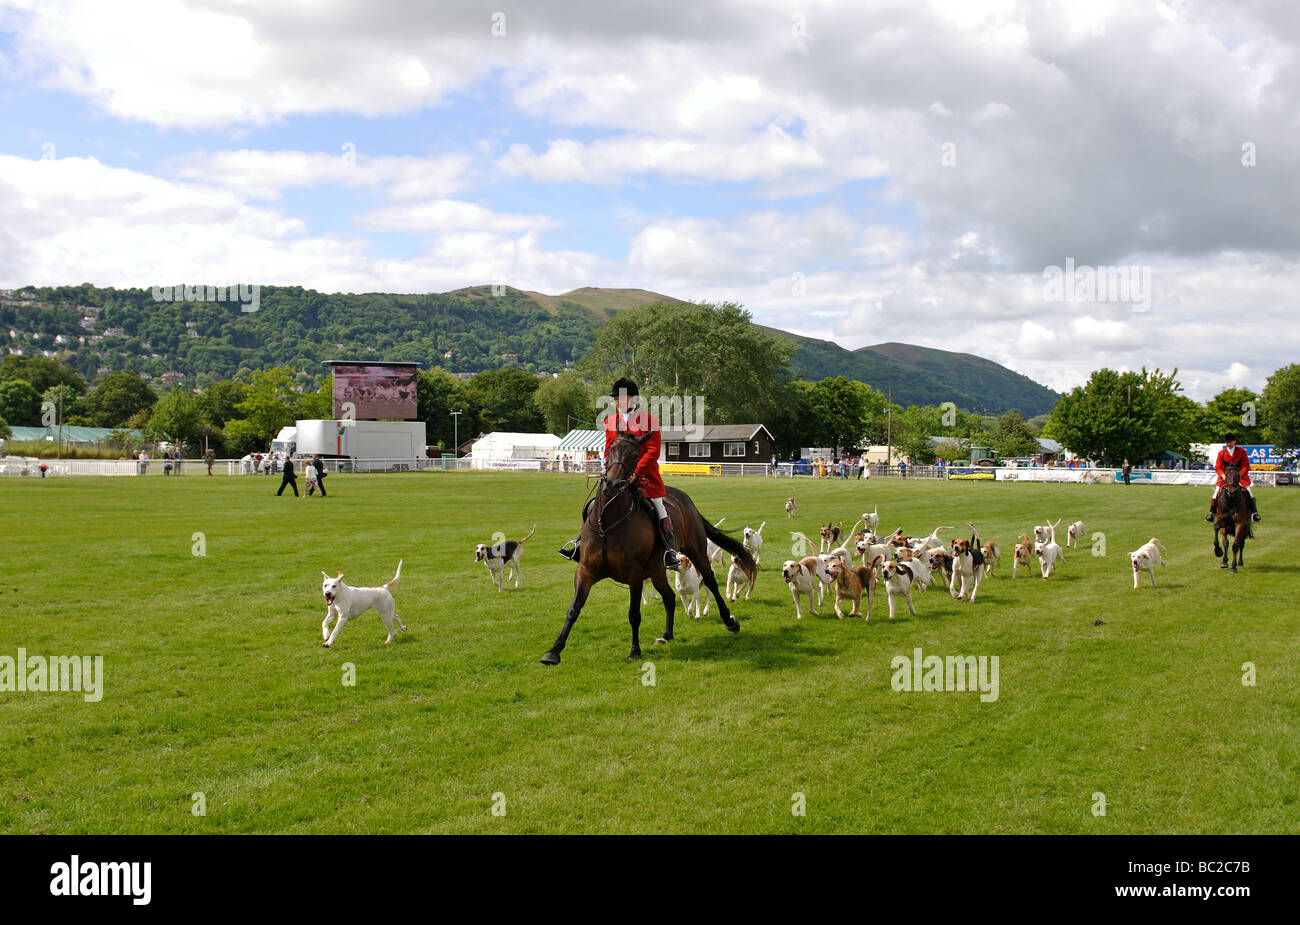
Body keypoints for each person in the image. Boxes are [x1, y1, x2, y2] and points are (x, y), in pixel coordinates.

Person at [558, 378, 680, 568]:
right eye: (616, 398)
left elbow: (653, 451)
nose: (618, 402)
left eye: (622, 398)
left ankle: (669, 552)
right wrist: (611, 468)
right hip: (616, 477)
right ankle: (579, 544)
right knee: (592, 505)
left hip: (645, 478)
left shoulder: (649, 420)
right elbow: (608, 449)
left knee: (660, 509)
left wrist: (636, 473)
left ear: (634, 399)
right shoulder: (610, 422)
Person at [1207, 433, 1260, 522]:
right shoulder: (1221, 453)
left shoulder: (1242, 452)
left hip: (1239, 477)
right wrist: (1223, 475)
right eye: (1227, 442)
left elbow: (1246, 466)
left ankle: (1254, 513)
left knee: (1249, 492)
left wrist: (1240, 475)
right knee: (1215, 493)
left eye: (1230, 442)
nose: (1228, 444)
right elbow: (1218, 467)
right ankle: (1211, 513)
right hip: (1225, 478)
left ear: (1234, 442)